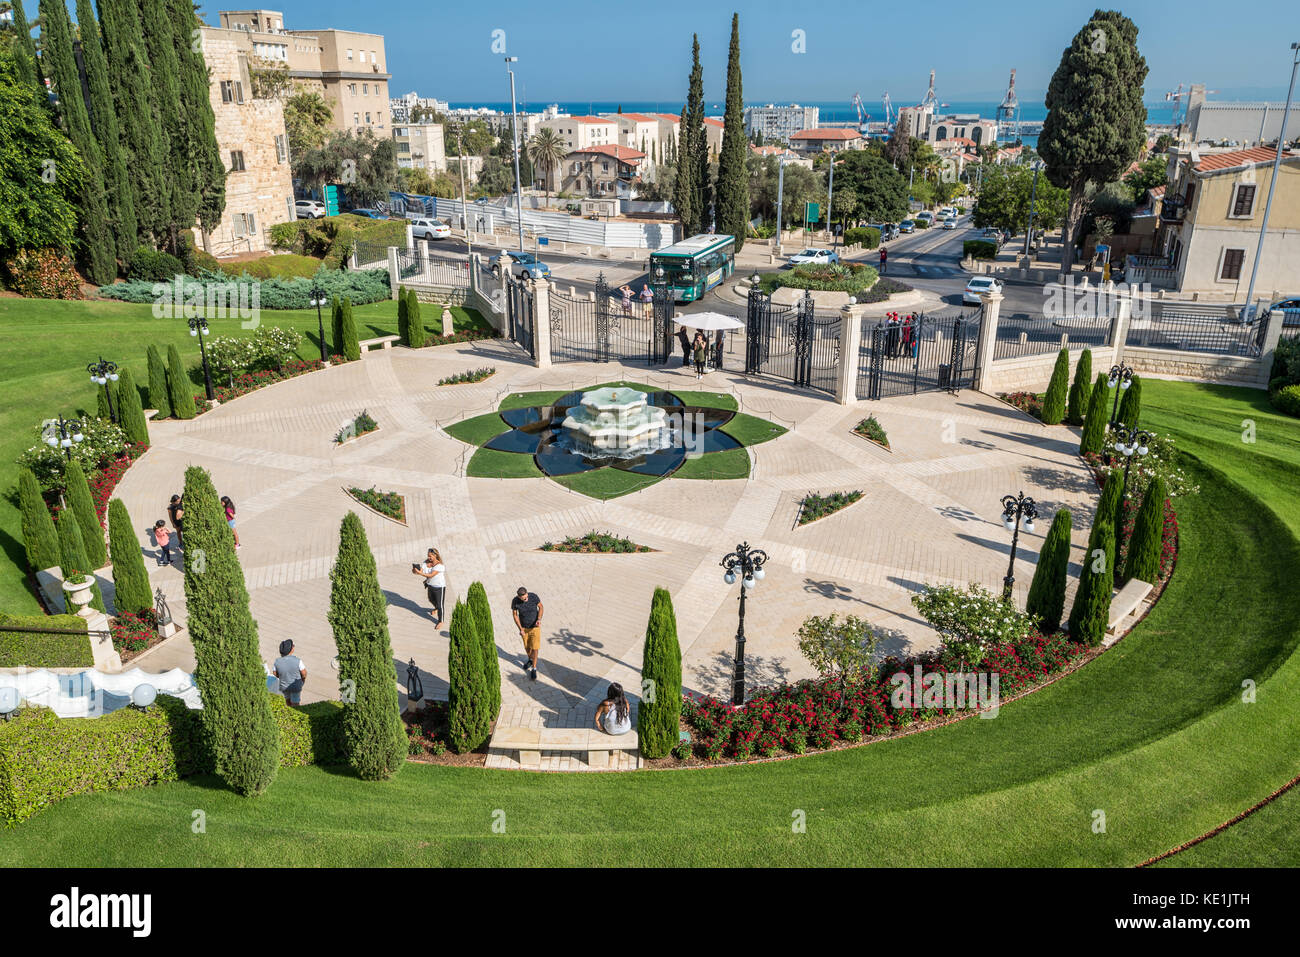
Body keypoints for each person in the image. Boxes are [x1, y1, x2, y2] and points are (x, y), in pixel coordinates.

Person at [510, 586, 543, 681]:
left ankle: (534, 668)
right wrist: (520, 628)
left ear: (527, 593)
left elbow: (541, 607)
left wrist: (539, 619)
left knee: (535, 648)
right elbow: (515, 615)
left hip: (535, 627)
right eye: (524, 598)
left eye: (526, 597)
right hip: (524, 628)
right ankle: (530, 660)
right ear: (519, 597)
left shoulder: (533, 597)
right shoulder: (515, 601)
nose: (526, 599)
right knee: (527, 647)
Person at [412, 547, 447, 627]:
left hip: (439, 587)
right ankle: (436, 608)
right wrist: (415, 571)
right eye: (428, 556)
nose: (428, 557)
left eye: (430, 556)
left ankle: (440, 621)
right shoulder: (426, 562)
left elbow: (431, 575)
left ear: (435, 555)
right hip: (430, 585)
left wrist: (420, 573)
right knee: (430, 599)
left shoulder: (440, 566)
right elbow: (421, 571)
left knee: (440, 604)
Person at [272, 639, 307, 706]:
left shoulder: (277, 661)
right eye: (293, 646)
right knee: (296, 703)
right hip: (295, 686)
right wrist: (303, 680)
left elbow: (274, 673)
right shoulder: (298, 661)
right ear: (291, 650)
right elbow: (304, 673)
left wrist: (282, 676)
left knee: (288, 701)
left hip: (284, 686)